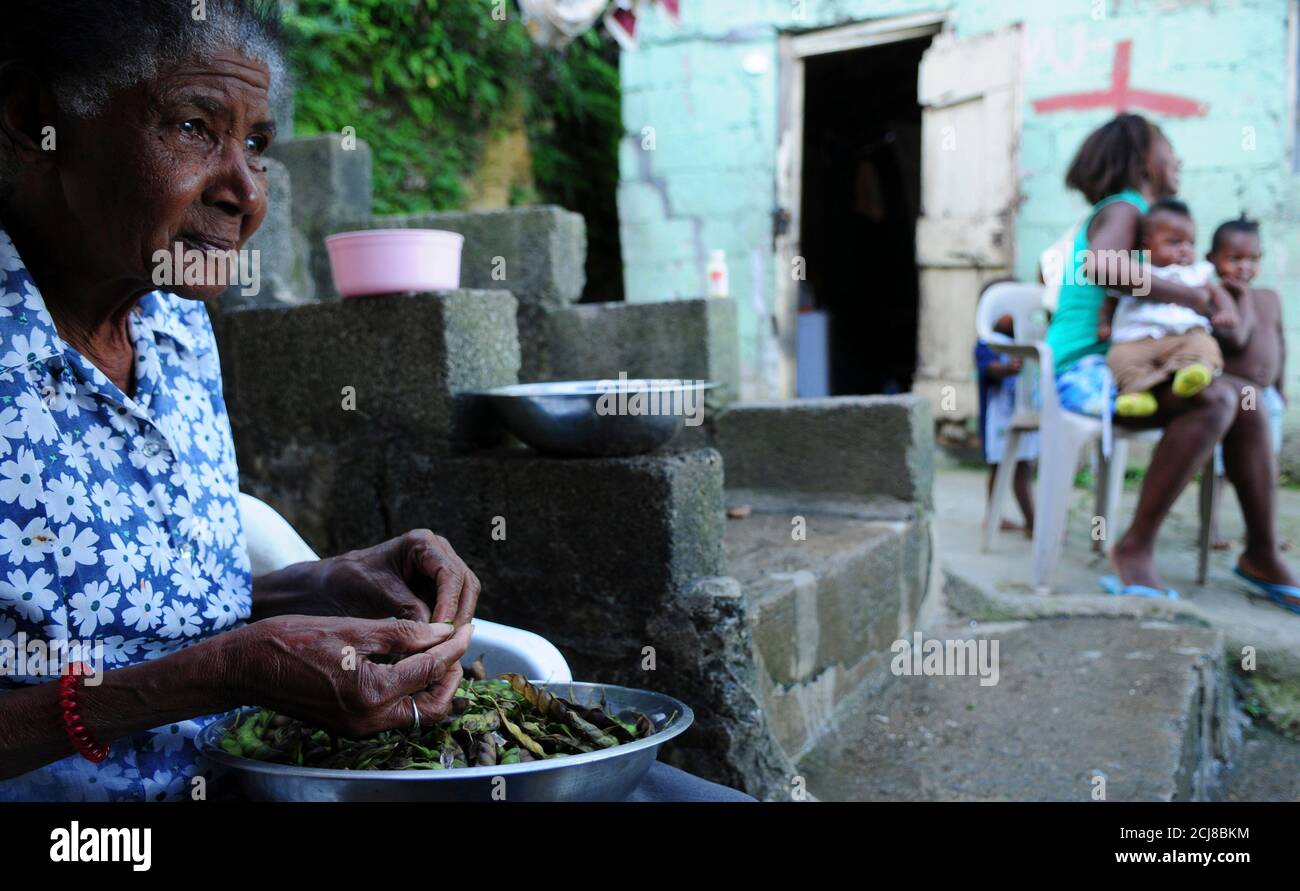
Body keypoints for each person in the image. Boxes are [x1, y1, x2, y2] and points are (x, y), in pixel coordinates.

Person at [0, 0, 754, 800]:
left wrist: (322, 584)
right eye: (193, 126)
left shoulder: (175, 325)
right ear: (36, 118)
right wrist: (220, 672)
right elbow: (155, 658)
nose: (245, 192)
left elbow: (127, 610)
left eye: (256, 145)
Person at [1046, 113, 1296, 609]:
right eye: (1169, 147)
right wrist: (1192, 297)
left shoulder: (1140, 213)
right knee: (1215, 399)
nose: (1177, 159)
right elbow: (1103, 267)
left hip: (1127, 364)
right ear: (1143, 157)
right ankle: (1134, 547)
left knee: (1243, 396)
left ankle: (1261, 553)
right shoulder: (1125, 206)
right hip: (1086, 371)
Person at [1204, 217, 1292, 560]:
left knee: (1264, 465)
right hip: (1235, 395)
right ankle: (1210, 526)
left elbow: (1281, 344)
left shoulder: (1269, 297)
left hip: (1266, 396)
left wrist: (1282, 386)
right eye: (1234, 259)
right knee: (1222, 468)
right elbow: (1235, 341)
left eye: (1252, 259)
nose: (1244, 267)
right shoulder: (1217, 298)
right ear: (1213, 259)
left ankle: (1263, 532)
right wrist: (1239, 299)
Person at [1097, 198, 1231, 417]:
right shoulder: (1137, 271)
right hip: (1135, 340)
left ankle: (1190, 372)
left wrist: (1226, 311)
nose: (1185, 250)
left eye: (1191, 243)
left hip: (1182, 336)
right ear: (1147, 245)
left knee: (1203, 343)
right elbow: (1111, 297)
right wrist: (1104, 323)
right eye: (1175, 242)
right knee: (1119, 358)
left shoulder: (1194, 273)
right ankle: (1136, 393)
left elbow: (1217, 292)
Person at [975, 303, 1036, 535]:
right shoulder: (986, 341)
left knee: (1023, 467)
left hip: (1023, 413)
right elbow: (989, 370)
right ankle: (994, 518)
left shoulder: (1025, 339)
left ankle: (1032, 522)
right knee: (998, 467)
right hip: (998, 419)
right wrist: (1007, 368)